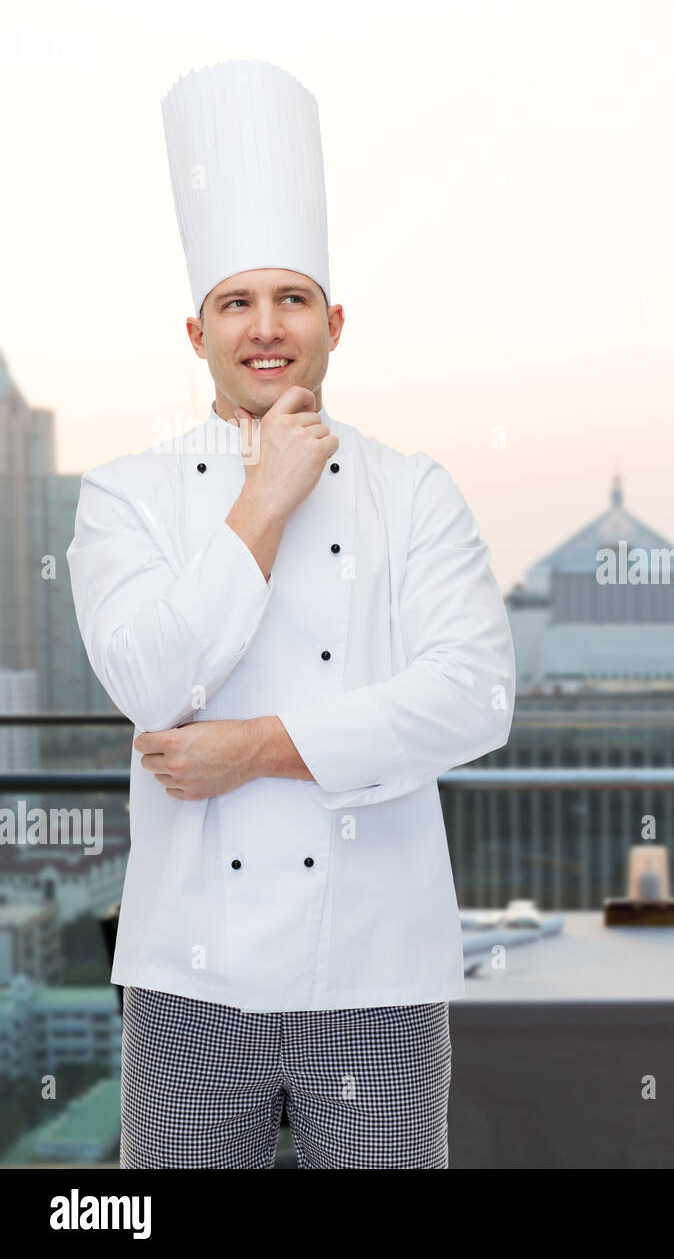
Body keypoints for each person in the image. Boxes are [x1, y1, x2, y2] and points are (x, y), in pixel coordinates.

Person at [66, 59, 515, 1168]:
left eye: (291, 299)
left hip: (377, 969)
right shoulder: (125, 492)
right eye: (236, 303)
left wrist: (258, 749)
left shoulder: (413, 487)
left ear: (334, 321)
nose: (265, 328)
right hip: (187, 974)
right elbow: (148, 682)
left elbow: (474, 696)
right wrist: (264, 497)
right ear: (197, 332)